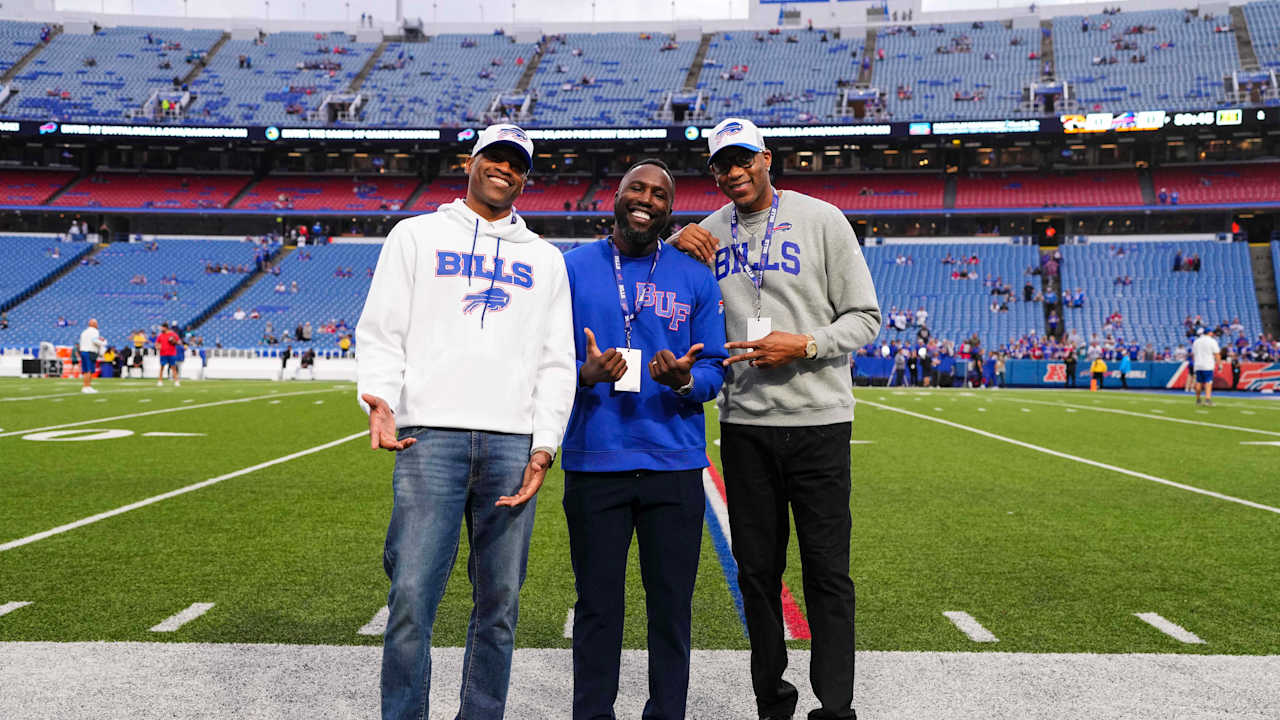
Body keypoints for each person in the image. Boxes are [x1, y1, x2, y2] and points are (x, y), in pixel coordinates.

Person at [355, 123, 576, 720]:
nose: (505, 169)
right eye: (495, 157)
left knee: (499, 606)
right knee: (410, 600)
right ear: (471, 163)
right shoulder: (416, 235)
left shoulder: (546, 259)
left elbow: (558, 361)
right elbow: (382, 329)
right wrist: (377, 398)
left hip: (512, 443)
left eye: (518, 163)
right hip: (429, 437)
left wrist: (544, 446)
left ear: (526, 178)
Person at [671, 117, 881, 720]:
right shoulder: (706, 233)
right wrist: (674, 246)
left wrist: (806, 344)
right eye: (721, 164)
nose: (733, 172)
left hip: (818, 422)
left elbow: (865, 318)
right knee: (757, 574)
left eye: (743, 159)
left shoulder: (821, 219)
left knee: (827, 573)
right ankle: (773, 701)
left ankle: (835, 707)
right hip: (745, 428)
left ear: (767, 158)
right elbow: (668, 291)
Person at [560, 159, 727, 720]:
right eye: (637, 187)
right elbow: (546, 362)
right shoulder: (572, 268)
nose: (647, 199)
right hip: (595, 461)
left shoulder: (695, 277)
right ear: (617, 195)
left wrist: (684, 380)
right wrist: (583, 374)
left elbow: (714, 371)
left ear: (669, 209)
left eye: (659, 194)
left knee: (671, 610)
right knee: (598, 609)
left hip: (673, 464)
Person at [1191, 328, 1221, 406]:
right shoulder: (1212, 341)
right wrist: (1219, 364)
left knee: (1198, 382)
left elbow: (1193, 354)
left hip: (1198, 364)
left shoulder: (1196, 341)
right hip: (1207, 364)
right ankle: (1207, 399)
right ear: (1209, 333)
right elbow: (1217, 353)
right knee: (1208, 382)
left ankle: (1198, 399)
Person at [78, 318, 105, 393]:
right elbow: (95, 341)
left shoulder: (84, 332)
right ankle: (87, 386)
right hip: (90, 351)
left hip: (83, 351)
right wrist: (103, 342)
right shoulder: (95, 331)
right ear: (94, 324)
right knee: (89, 370)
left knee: (86, 370)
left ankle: (86, 386)